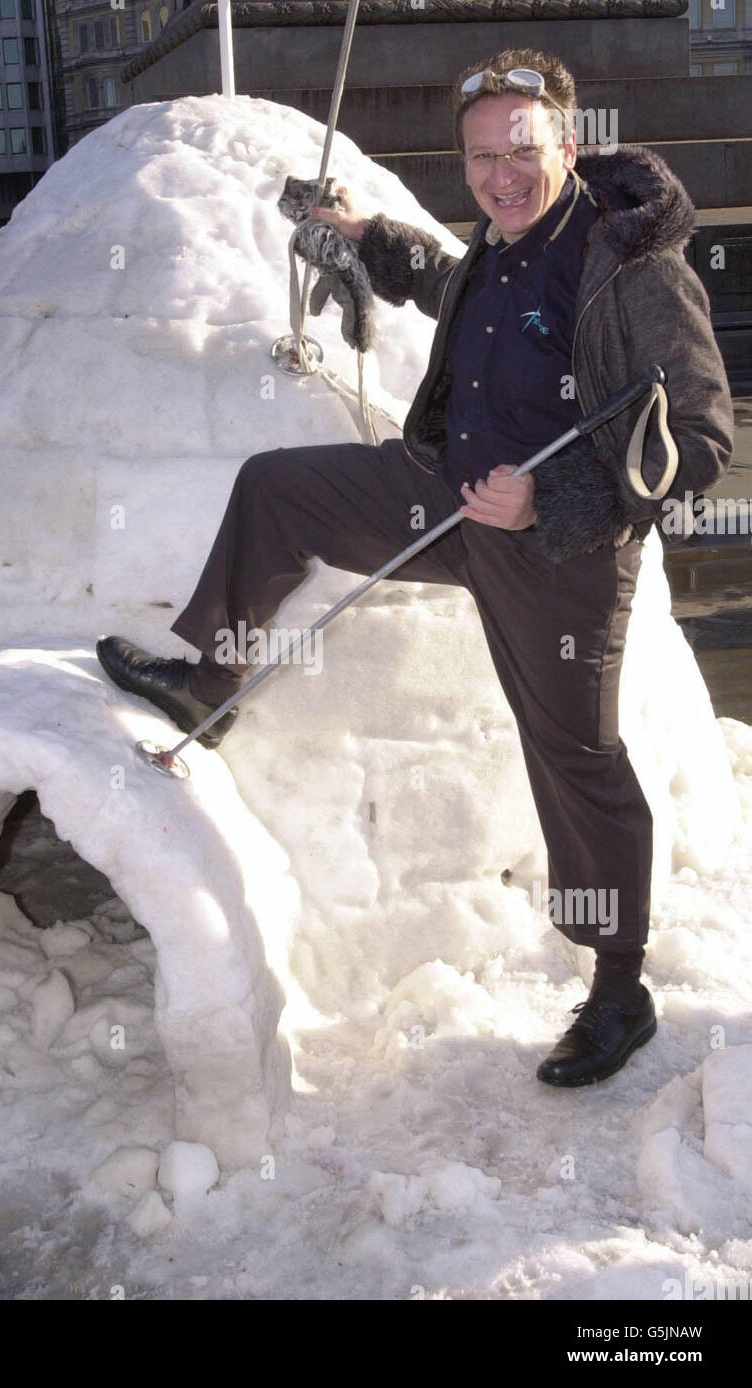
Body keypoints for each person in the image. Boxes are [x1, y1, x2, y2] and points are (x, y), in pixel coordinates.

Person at [97, 49, 733, 1087]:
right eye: (480, 157)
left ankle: (619, 989)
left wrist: (552, 497)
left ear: (564, 146)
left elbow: (700, 442)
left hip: (561, 549)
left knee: (574, 756)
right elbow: (457, 289)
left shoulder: (630, 264)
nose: (498, 175)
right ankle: (210, 680)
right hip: (448, 494)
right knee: (277, 486)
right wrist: (366, 239)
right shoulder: (500, 239)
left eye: (520, 152)